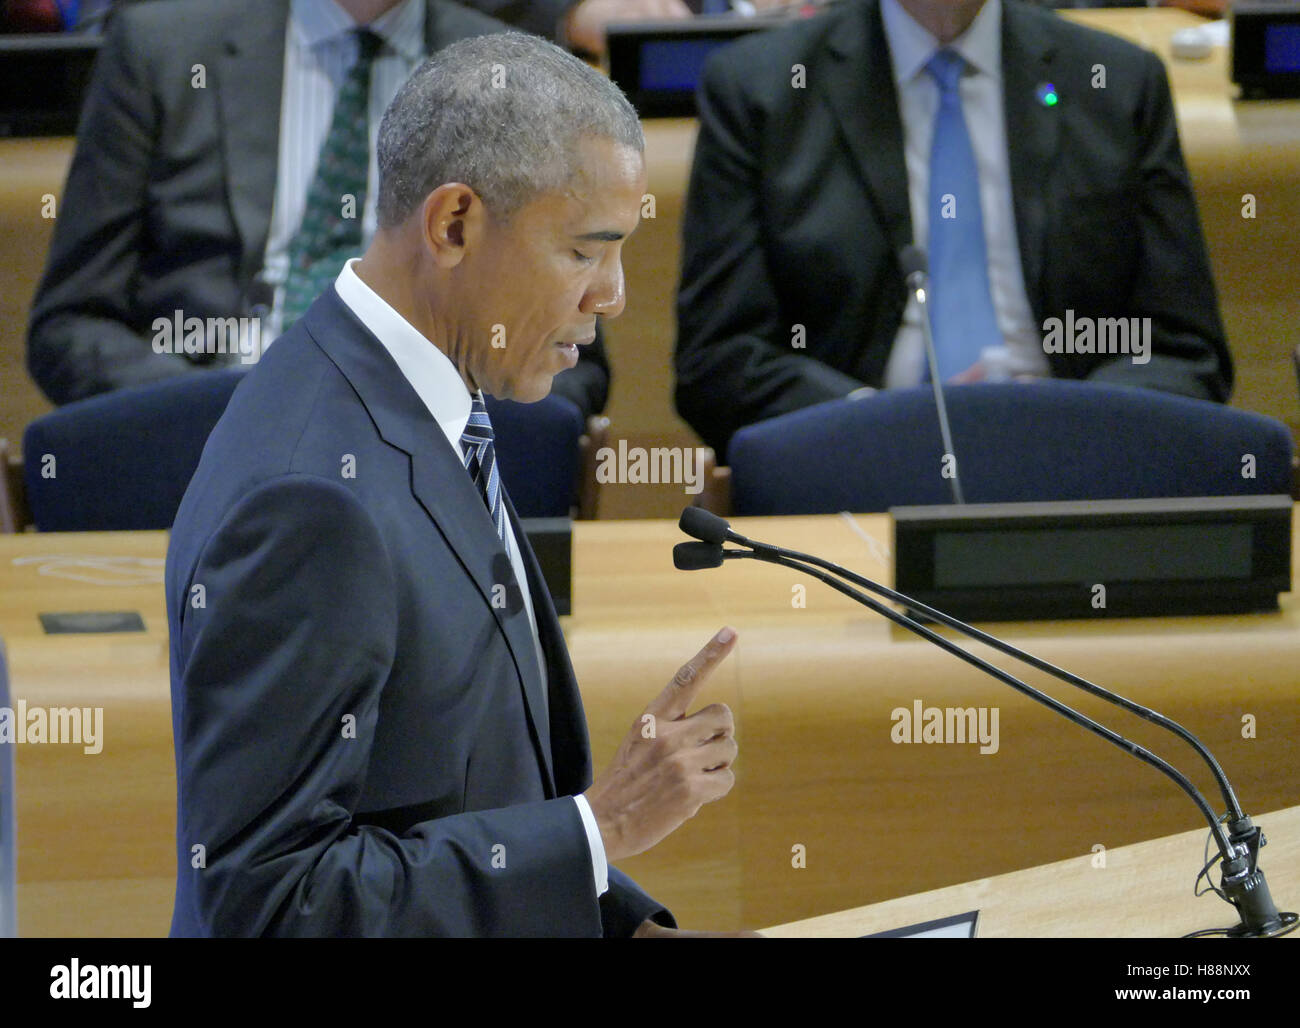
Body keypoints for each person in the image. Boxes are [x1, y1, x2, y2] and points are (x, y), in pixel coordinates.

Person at [166, 31, 745, 937]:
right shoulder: (311, 497)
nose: (614, 296)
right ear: (454, 225)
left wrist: (619, 920)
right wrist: (603, 827)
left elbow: (450, 791)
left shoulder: (419, 398)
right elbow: (274, 903)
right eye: (588, 250)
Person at [674, 0, 1232, 460]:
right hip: (859, 469)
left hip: (1078, 467)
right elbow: (720, 360)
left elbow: (1185, 352)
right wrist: (886, 427)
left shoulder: (1116, 83)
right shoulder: (761, 91)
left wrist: (1065, 428)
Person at [26, 0, 612, 418]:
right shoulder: (160, 49)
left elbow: (575, 361)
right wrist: (221, 410)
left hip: (432, 447)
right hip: (203, 436)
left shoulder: (515, 74)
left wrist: (449, 414)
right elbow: (70, 327)